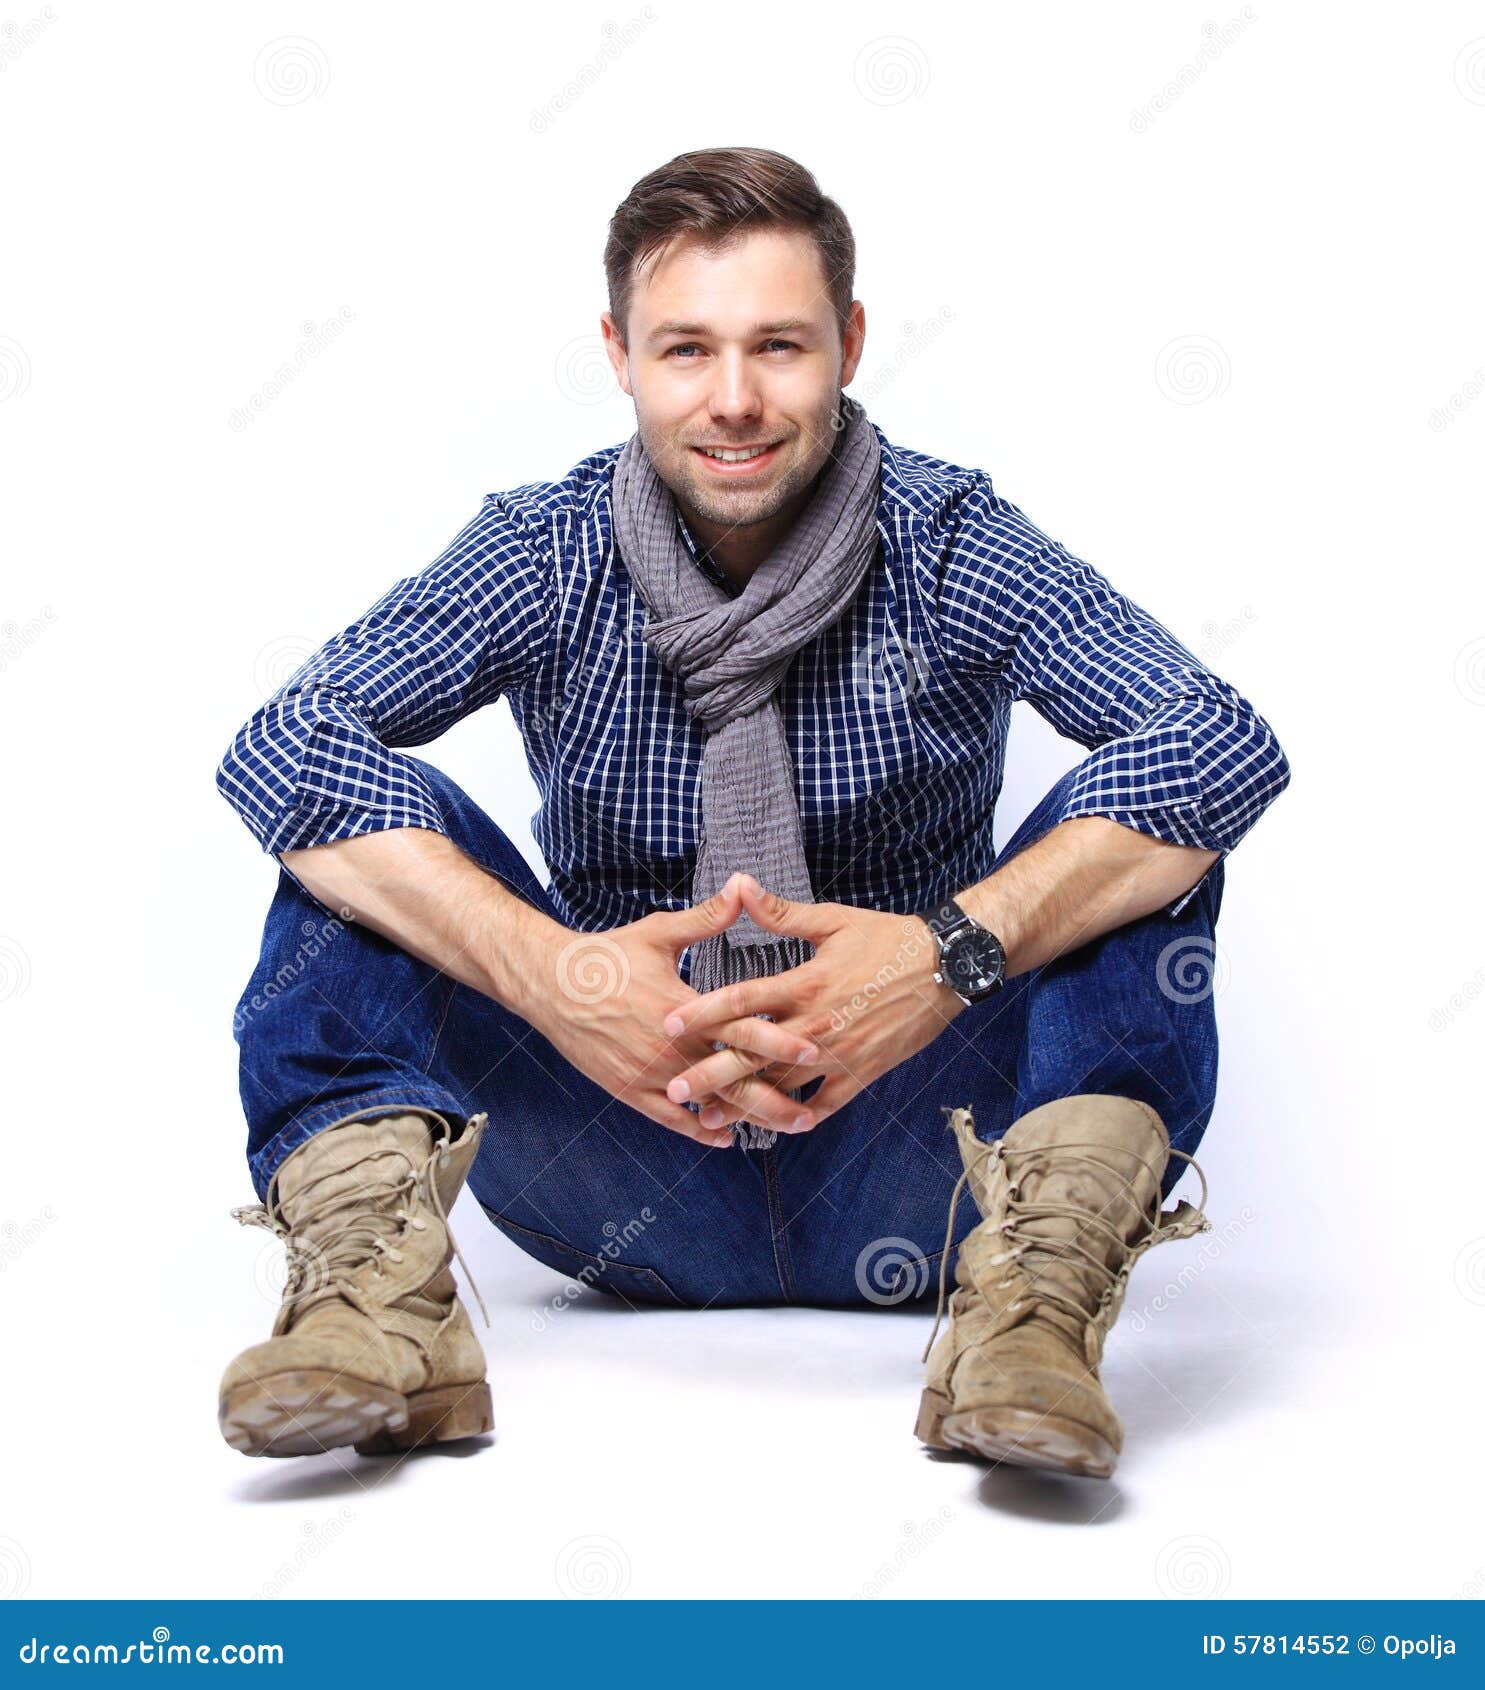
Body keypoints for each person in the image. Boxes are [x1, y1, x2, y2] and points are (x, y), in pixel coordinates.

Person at [214, 146, 1290, 1479]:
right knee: (361, 825)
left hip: (931, 1175)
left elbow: (1214, 737)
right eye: (686, 351)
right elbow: (287, 740)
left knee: (1142, 818)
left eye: (777, 346)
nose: (733, 401)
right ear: (617, 354)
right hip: (617, 1157)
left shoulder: (945, 539)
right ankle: (381, 1314)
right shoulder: (542, 550)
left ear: (845, 341)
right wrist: (558, 979)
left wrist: (941, 955)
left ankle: (1030, 1321)